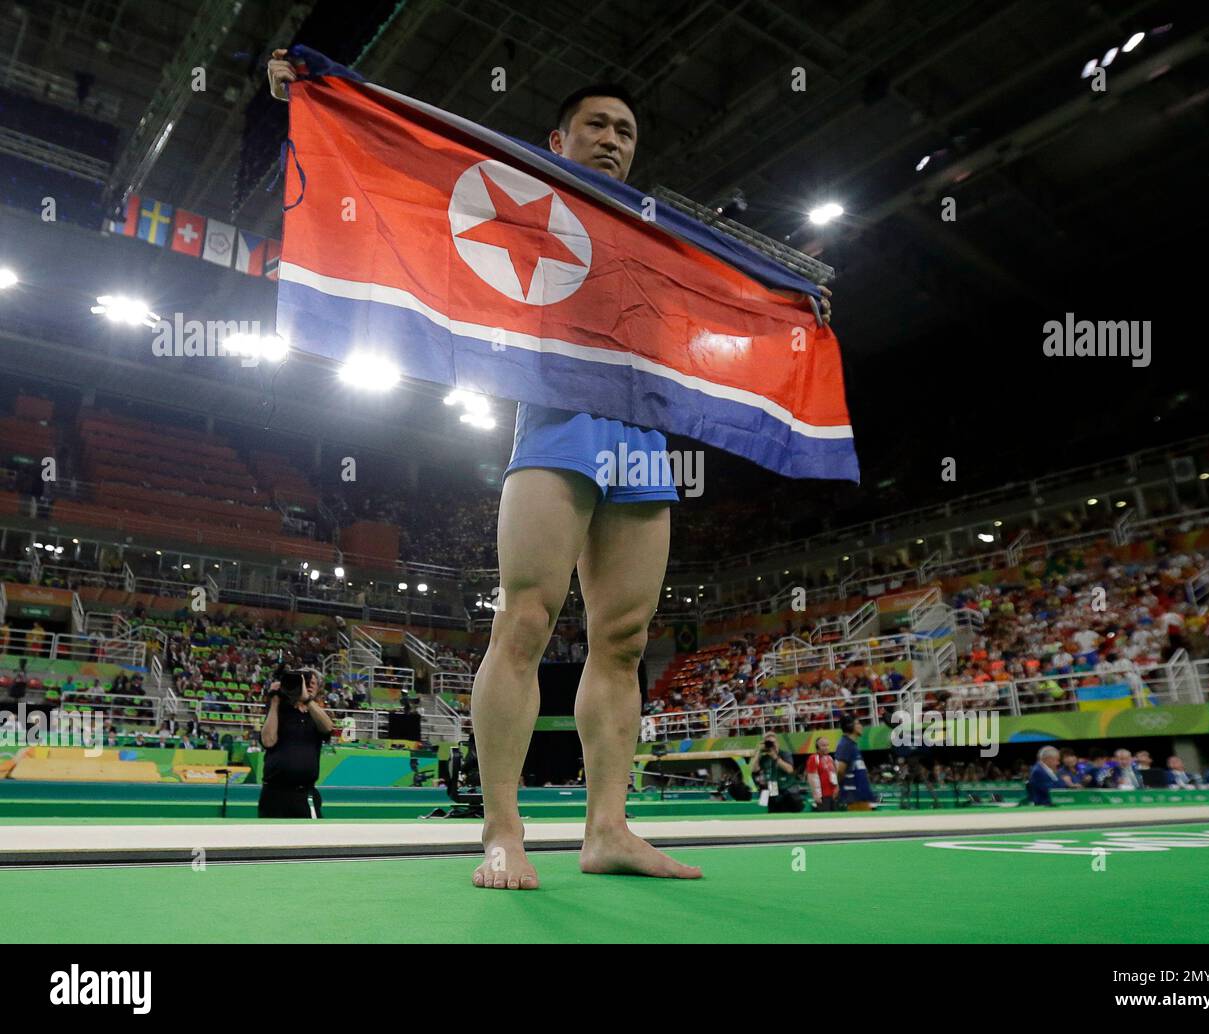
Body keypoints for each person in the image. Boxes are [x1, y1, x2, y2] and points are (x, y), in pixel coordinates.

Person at [267, 51, 828, 890]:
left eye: (626, 131)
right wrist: (317, 91)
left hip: (642, 428)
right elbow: (412, 166)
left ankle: (608, 830)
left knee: (626, 639)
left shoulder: (655, 231)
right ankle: (502, 831)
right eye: (596, 125)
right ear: (558, 138)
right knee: (526, 619)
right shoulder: (522, 197)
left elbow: (718, 307)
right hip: (556, 419)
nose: (612, 139)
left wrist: (788, 302)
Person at [258, 669, 334, 818]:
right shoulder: (280, 712)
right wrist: (274, 702)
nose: (309, 686)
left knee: (311, 838)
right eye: (305, 682)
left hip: (305, 793)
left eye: (313, 683)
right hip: (274, 792)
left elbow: (328, 727)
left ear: (318, 689)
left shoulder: (316, 715)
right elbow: (268, 741)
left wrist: (307, 700)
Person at [750, 731, 804, 813]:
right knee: (774, 812)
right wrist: (758, 751)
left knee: (789, 813)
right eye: (768, 742)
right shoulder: (765, 758)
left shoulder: (785, 754)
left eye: (773, 742)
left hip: (787, 789)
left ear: (777, 743)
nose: (771, 745)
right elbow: (754, 769)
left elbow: (789, 770)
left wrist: (775, 757)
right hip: (772, 787)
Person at [834, 716, 877, 806]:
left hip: (860, 795)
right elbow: (840, 770)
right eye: (858, 723)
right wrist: (839, 787)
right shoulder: (845, 745)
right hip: (852, 796)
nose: (861, 726)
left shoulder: (852, 745)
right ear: (849, 726)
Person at [805, 736, 839, 811]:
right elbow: (812, 778)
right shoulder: (813, 758)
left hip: (833, 795)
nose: (826, 747)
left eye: (827, 745)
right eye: (823, 745)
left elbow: (834, 776)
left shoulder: (829, 758)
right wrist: (817, 795)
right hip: (823, 796)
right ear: (817, 747)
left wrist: (836, 788)